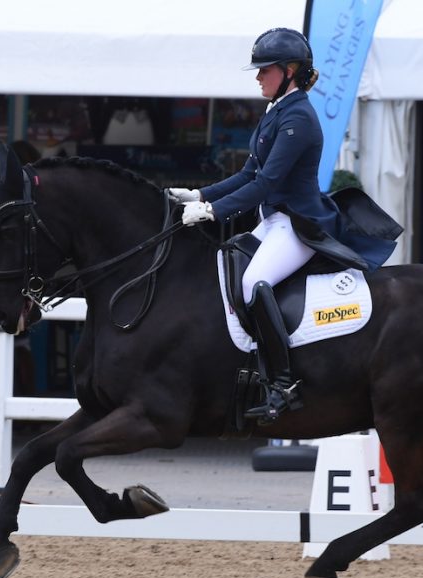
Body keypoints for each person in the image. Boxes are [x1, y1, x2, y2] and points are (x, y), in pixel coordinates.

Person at [167, 28, 397, 424]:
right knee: (225, 273)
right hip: (272, 222)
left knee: (254, 283)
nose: (257, 77)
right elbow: (246, 175)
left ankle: (282, 383)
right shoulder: (276, 112)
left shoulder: (300, 119)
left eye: (265, 70)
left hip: (299, 225)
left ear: (290, 71)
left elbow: (266, 184)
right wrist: (200, 195)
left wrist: (212, 213)